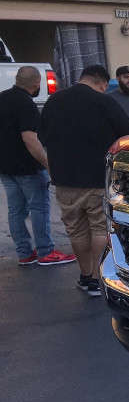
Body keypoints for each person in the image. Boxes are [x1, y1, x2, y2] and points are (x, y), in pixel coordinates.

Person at [39, 65, 129, 295]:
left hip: (64, 180)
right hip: (97, 179)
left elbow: (42, 136)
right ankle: (97, 279)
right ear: (102, 82)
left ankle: (85, 276)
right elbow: (128, 132)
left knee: (76, 230)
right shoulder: (104, 102)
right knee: (100, 228)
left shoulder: (54, 101)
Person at [0, 66, 76, 267]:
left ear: (17, 79)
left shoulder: (2, 98)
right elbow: (30, 139)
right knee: (39, 208)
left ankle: (24, 254)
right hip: (28, 167)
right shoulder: (26, 104)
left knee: (15, 211)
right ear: (36, 84)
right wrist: (48, 164)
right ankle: (46, 252)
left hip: (5, 167)